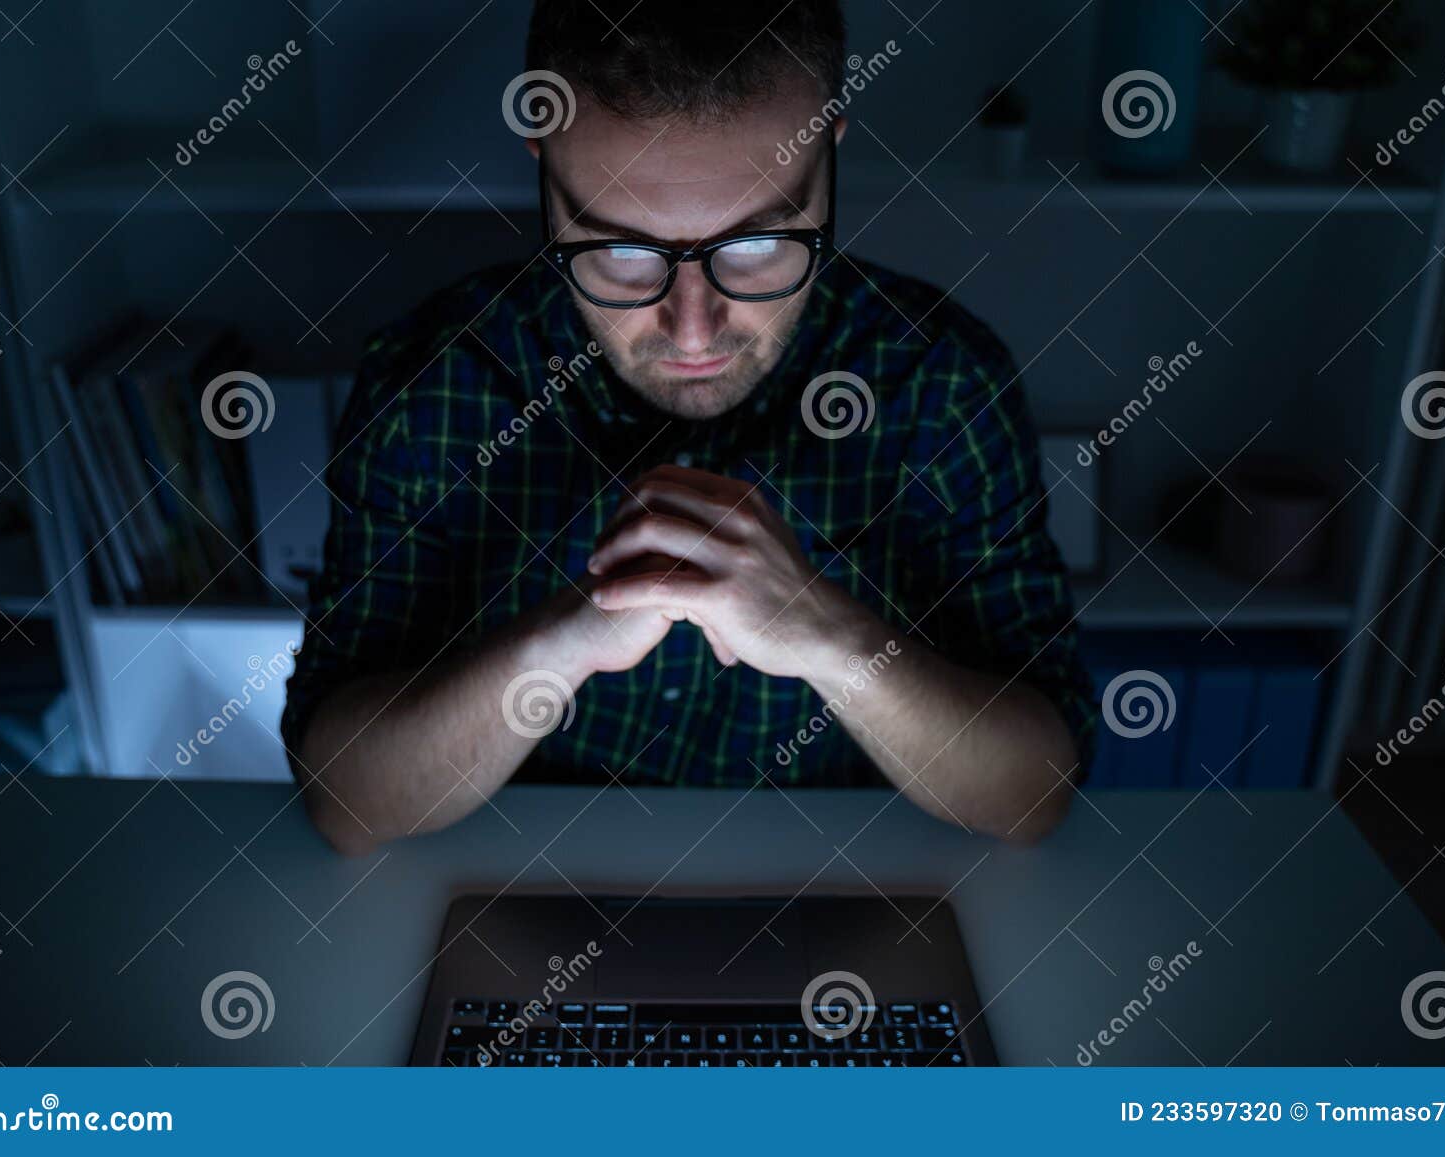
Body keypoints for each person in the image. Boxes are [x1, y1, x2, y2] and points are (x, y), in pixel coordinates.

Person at [282, 0, 1094, 856]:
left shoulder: (941, 379)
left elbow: (1034, 795)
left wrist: (828, 636)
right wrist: (562, 643)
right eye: (623, 253)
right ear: (542, 164)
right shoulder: (434, 378)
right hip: (517, 913)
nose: (694, 329)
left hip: (848, 912)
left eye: (757, 246)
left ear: (830, 153)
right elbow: (345, 803)